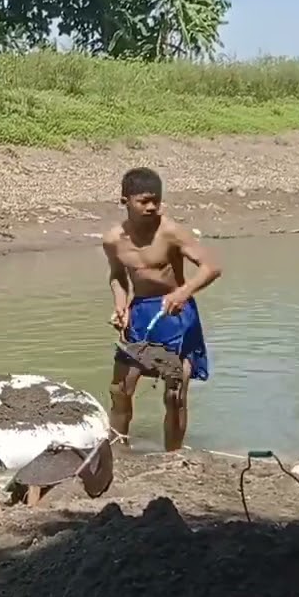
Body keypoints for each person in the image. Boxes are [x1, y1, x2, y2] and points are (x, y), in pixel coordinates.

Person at [104, 167, 221, 452]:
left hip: (176, 314)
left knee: (174, 394)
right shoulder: (113, 240)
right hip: (140, 313)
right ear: (125, 201)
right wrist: (121, 306)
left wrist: (183, 292)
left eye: (156, 200)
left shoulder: (171, 232)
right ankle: (119, 452)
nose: (152, 206)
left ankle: (173, 458)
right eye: (144, 201)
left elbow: (212, 267)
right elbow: (118, 277)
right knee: (120, 390)